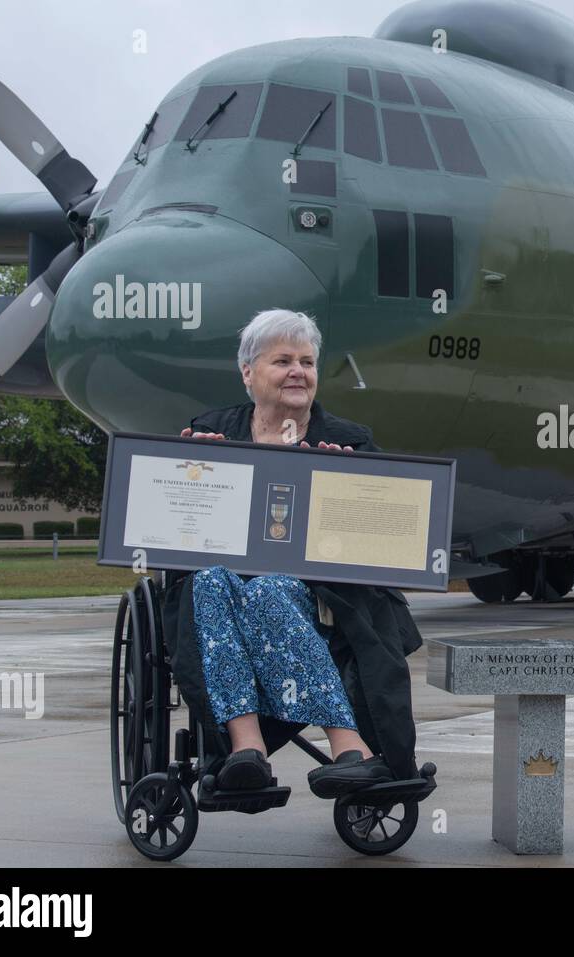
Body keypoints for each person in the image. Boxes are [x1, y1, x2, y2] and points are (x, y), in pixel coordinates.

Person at [171, 307, 420, 798]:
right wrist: (187, 470)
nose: (298, 372)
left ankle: (349, 746)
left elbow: (386, 542)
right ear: (248, 372)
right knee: (208, 582)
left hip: (327, 602)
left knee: (268, 589)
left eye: (306, 362)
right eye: (282, 361)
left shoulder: (348, 441)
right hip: (225, 598)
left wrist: (349, 484)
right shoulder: (212, 431)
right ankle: (247, 750)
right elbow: (174, 531)